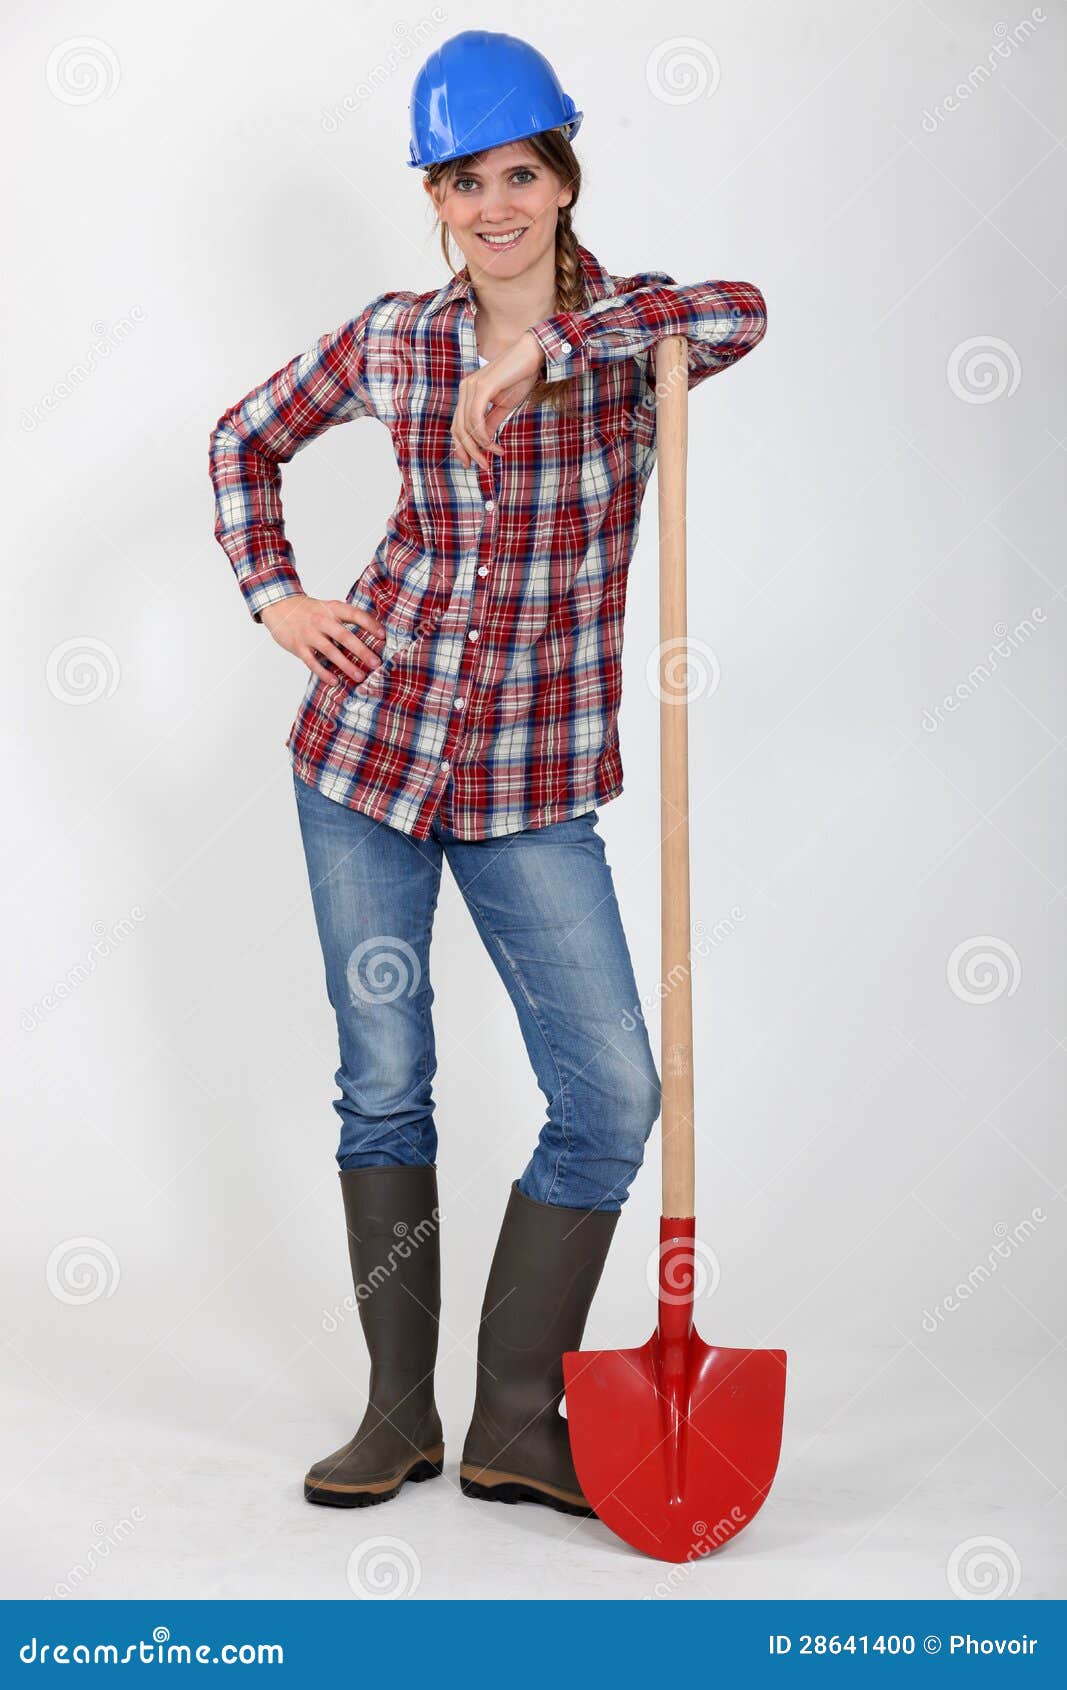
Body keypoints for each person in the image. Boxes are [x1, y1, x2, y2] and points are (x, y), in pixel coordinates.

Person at [208, 29, 767, 1519]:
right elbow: (240, 442)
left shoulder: (640, 337)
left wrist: (552, 343)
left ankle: (519, 1418)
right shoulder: (394, 336)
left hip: (530, 789)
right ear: (435, 199)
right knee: (384, 1087)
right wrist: (279, 598)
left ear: (563, 176)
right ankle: (396, 1415)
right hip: (365, 760)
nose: (494, 205)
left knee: (611, 1094)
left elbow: (748, 309)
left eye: (519, 173)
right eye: (463, 182)